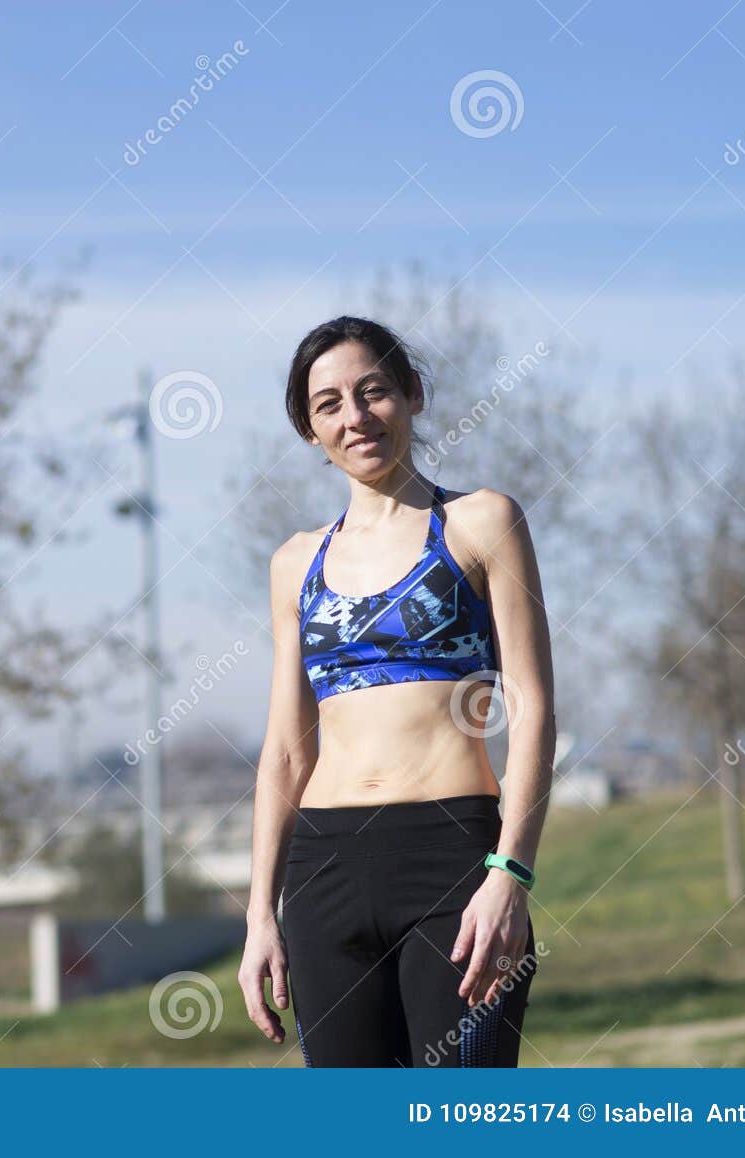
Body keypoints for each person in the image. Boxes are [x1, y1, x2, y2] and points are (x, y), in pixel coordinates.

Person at [239, 316, 555, 1067]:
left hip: (453, 862)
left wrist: (510, 872)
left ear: (412, 395)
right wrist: (260, 914)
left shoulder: (483, 523)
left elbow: (534, 707)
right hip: (323, 876)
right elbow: (285, 750)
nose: (355, 416)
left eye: (373, 390)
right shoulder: (295, 563)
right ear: (310, 431)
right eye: (328, 405)